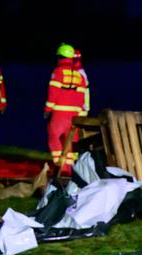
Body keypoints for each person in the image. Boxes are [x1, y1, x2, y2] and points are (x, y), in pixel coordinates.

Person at [45, 43, 89, 172]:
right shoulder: (80, 76)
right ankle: (70, 168)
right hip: (75, 114)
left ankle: (60, 165)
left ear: (60, 57)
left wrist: (48, 109)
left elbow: (53, 92)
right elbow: (82, 95)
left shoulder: (58, 72)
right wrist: (80, 111)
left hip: (60, 112)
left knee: (54, 136)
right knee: (70, 140)